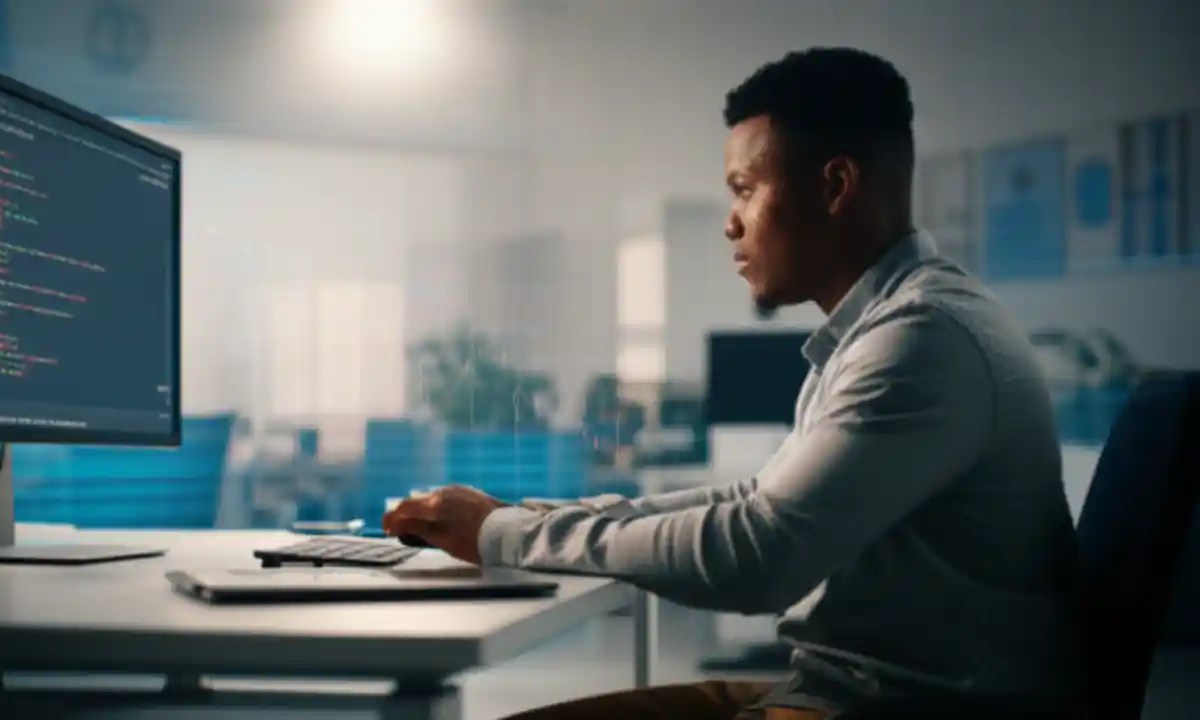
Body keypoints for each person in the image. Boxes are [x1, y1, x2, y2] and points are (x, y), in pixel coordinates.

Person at [383, 47, 1086, 719]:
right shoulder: (889, 326)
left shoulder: (921, 339)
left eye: (745, 190)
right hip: (845, 692)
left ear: (835, 186)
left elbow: (760, 555)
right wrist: (536, 519)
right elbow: (757, 499)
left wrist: (504, 535)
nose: (730, 222)